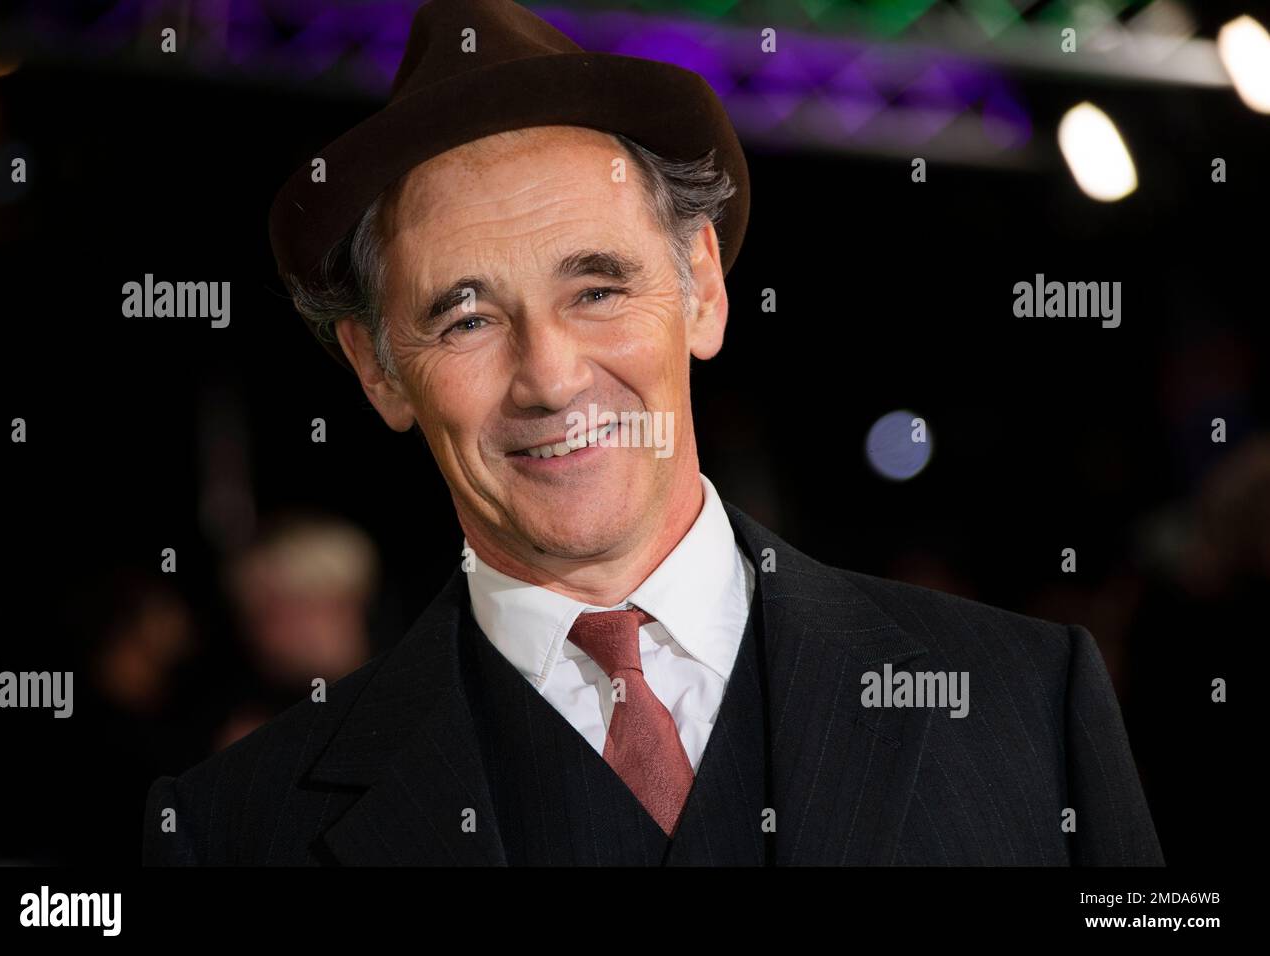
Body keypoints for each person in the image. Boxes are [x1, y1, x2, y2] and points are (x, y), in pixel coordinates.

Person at [143, 0, 1162, 866]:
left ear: (704, 291)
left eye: (597, 287)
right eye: (465, 318)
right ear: (377, 370)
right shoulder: (238, 829)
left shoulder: (1027, 702)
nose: (549, 375)